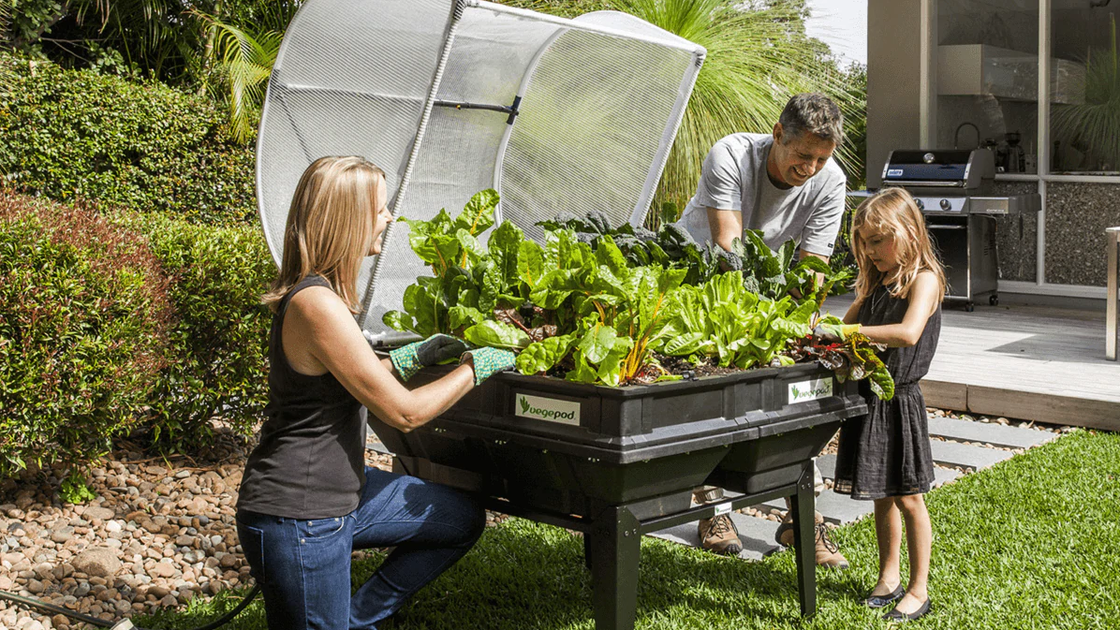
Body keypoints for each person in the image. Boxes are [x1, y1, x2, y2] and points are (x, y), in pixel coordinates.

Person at [236, 156, 515, 630]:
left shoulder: (322, 296)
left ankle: (355, 619)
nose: (389, 218)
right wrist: (475, 367)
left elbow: (341, 379)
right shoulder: (316, 304)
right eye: (380, 209)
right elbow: (404, 414)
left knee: (458, 519)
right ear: (346, 219)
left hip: (346, 494)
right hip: (300, 517)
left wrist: (412, 358)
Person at [675, 93, 848, 566]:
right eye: (802, 155)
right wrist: (758, 325)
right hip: (697, 282)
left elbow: (813, 267)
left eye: (820, 158)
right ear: (778, 134)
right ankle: (714, 510)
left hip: (760, 291)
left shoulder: (830, 182)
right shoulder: (730, 153)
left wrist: (799, 330)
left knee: (793, 405)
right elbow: (729, 247)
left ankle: (800, 521)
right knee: (710, 400)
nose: (810, 168)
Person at [824, 187, 944, 622]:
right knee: (881, 494)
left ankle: (919, 588)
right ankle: (888, 576)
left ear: (908, 233)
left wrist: (848, 336)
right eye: (864, 242)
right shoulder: (877, 284)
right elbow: (843, 324)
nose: (870, 250)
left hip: (900, 400)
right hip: (871, 395)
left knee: (909, 497)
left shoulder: (924, 279)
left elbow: (909, 333)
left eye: (879, 240)